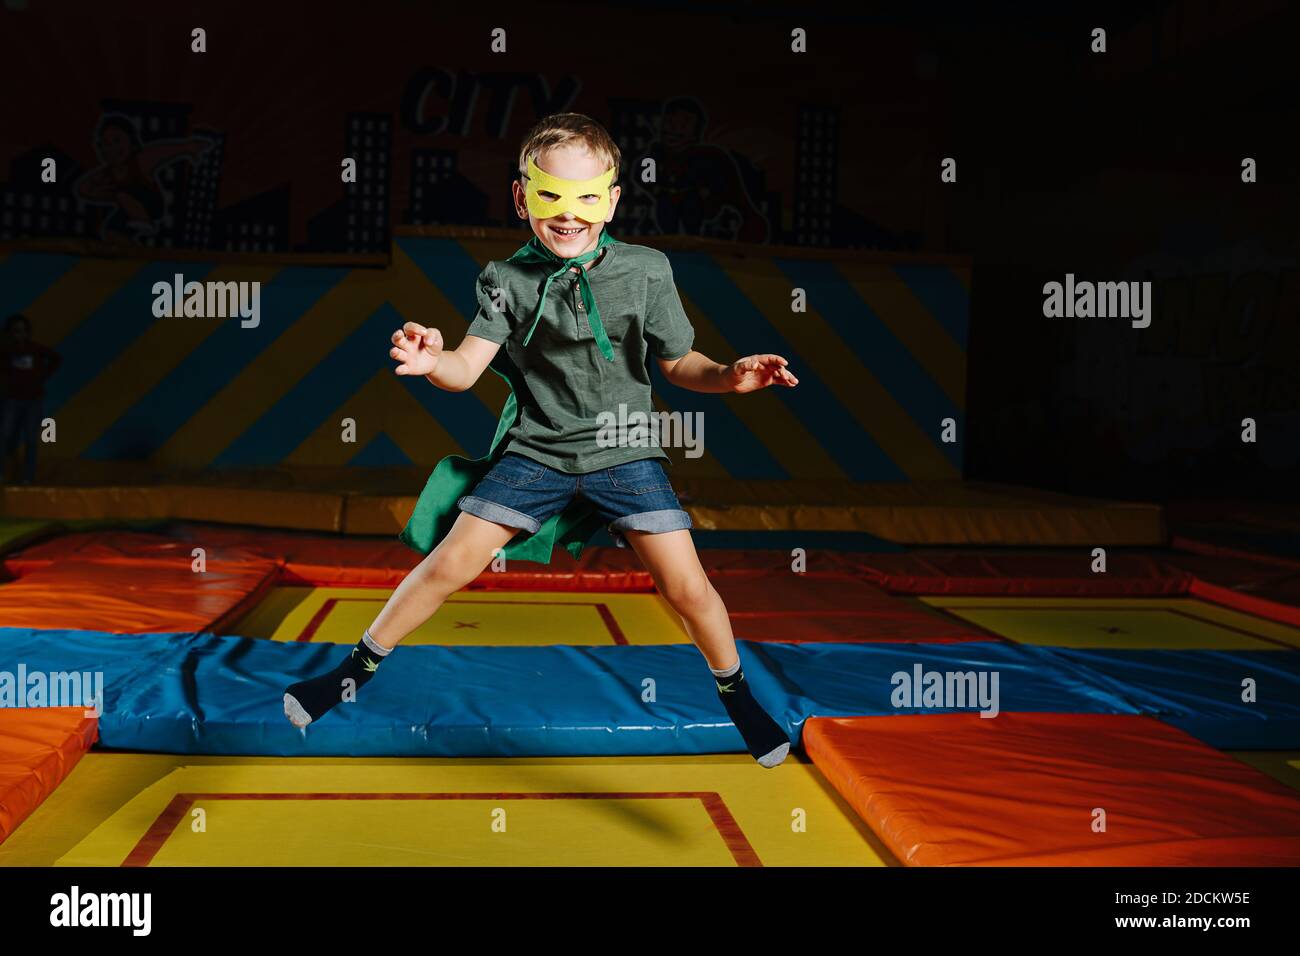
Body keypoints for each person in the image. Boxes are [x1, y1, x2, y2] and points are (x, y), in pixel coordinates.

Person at [284, 113, 799, 768]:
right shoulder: (506, 280)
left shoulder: (646, 271)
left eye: (587, 198)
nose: (570, 215)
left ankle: (739, 699)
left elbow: (679, 363)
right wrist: (433, 359)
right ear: (522, 197)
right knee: (447, 565)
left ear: (612, 200)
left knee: (688, 588)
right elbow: (467, 366)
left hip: (625, 450)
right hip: (538, 454)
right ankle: (348, 675)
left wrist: (730, 376)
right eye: (552, 196)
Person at [0, 314, 60, 485]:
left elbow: (56, 358)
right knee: (4, 435)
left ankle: (28, 477)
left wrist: (42, 376)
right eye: (17, 331)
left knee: (31, 439)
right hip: (11, 399)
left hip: (33, 400)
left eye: (24, 331)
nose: (21, 334)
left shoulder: (35, 348)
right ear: (10, 333)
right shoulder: (5, 351)